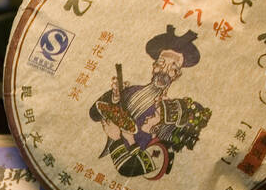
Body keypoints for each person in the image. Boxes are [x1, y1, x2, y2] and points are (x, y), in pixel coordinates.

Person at [90, 24, 212, 179]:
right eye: (161, 63)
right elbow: (94, 114)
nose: (164, 70)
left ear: (177, 75)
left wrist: (116, 139)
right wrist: (114, 96)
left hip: (125, 165)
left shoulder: (170, 112)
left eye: (172, 67)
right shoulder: (131, 91)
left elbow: (138, 167)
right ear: (154, 66)